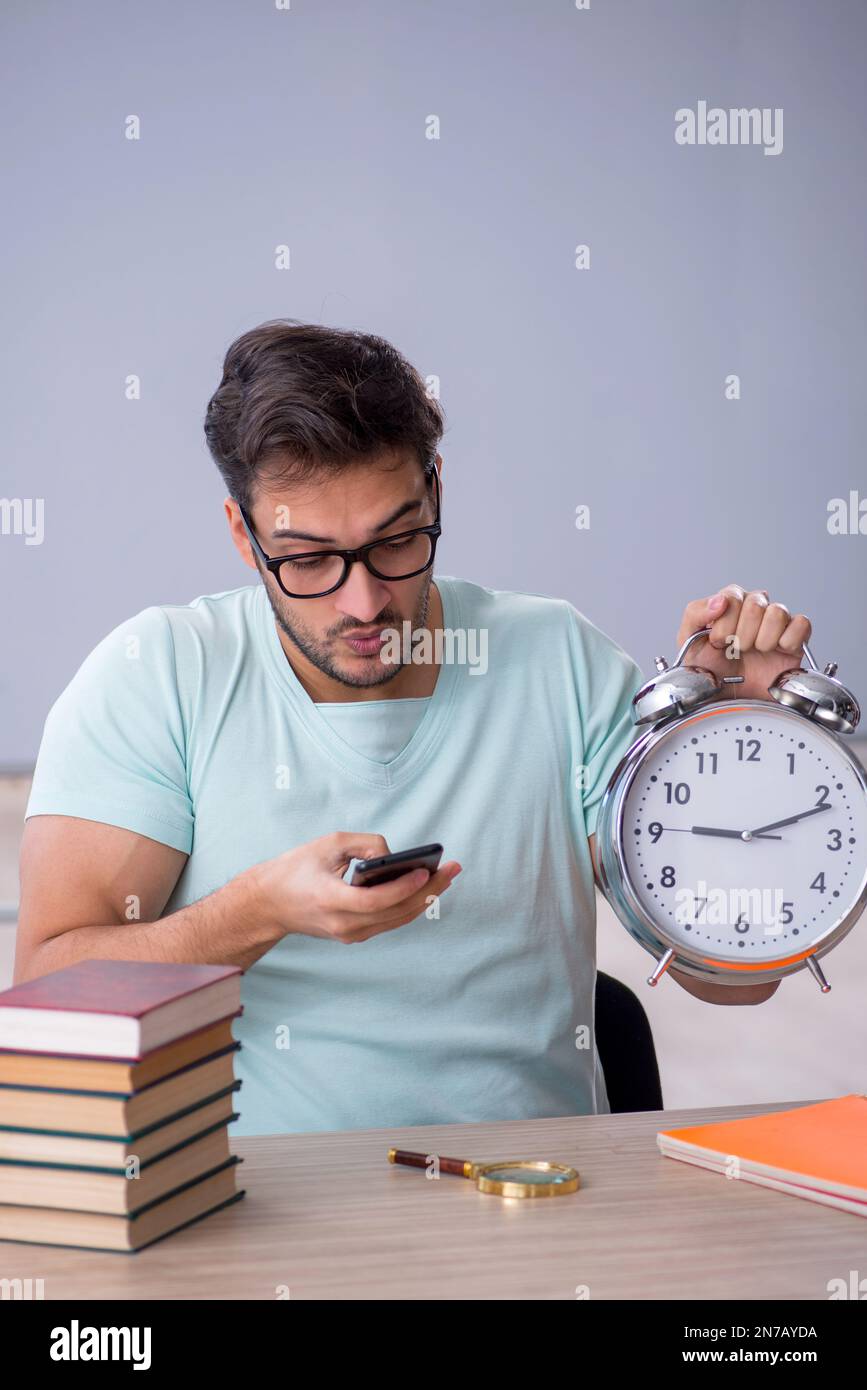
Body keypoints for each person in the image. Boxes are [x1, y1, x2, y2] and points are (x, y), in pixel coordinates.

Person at [15, 320, 812, 1134]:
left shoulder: (557, 660)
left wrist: (727, 738)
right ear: (242, 535)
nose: (362, 604)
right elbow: (49, 996)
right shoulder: (158, 675)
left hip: (536, 1198)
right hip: (249, 1218)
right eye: (309, 559)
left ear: (435, 491)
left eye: (395, 540)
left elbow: (736, 979)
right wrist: (258, 911)